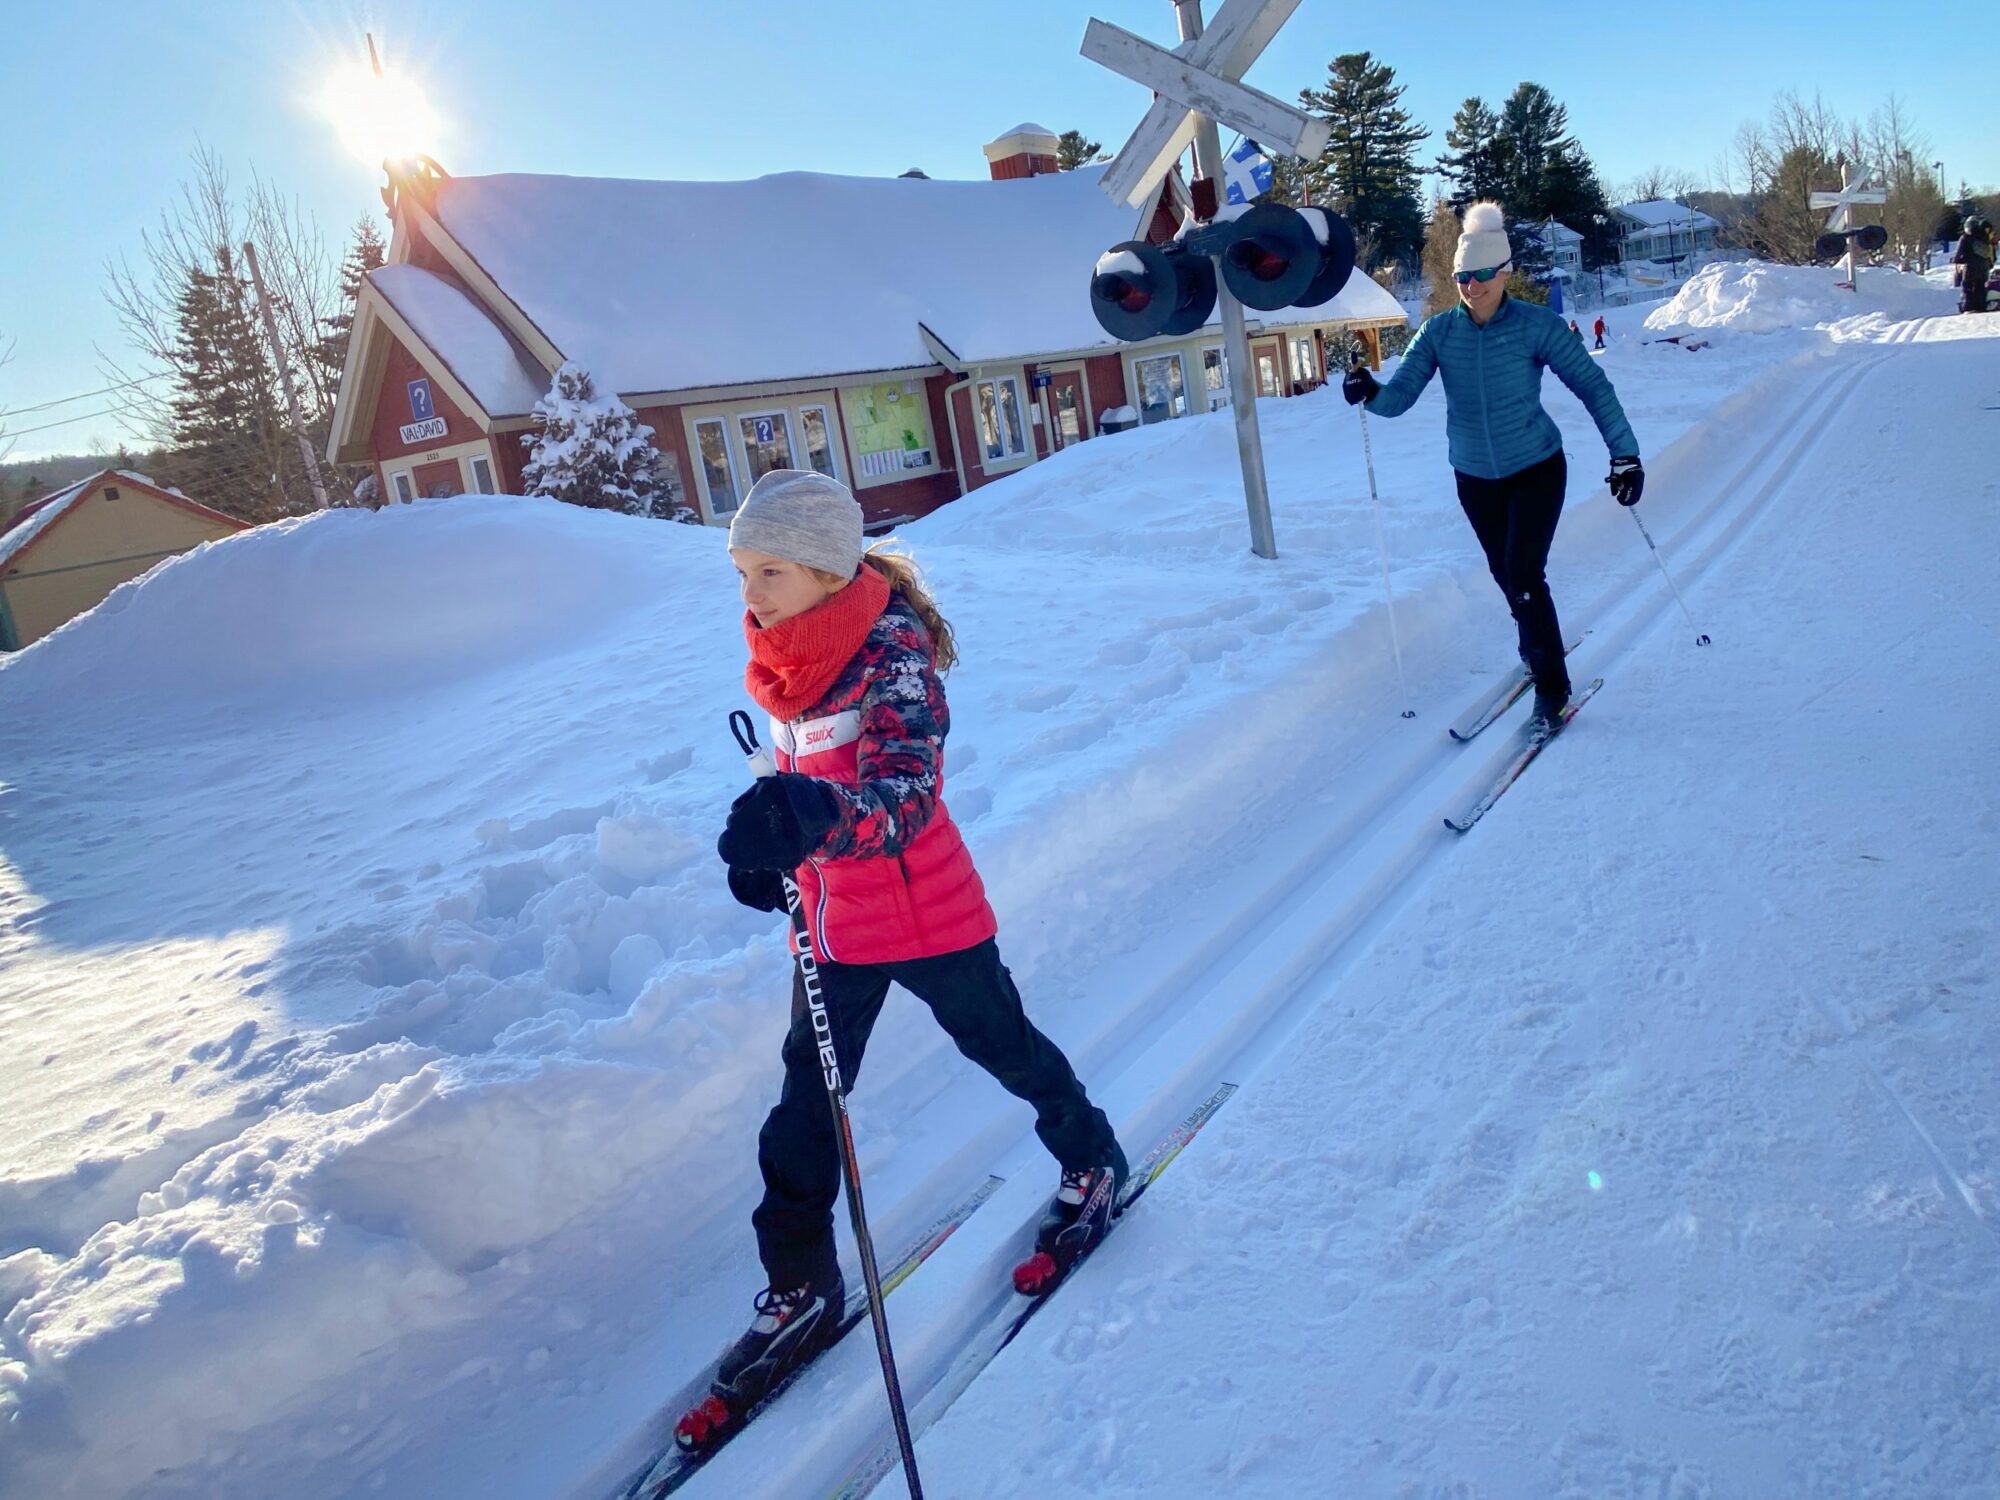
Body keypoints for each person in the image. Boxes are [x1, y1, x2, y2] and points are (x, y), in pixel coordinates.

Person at [695, 470, 1127, 1434]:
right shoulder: (783, 656)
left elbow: (903, 795)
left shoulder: (890, 651)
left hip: (923, 909)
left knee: (1006, 1048)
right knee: (803, 1106)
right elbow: (803, 782)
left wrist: (816, 817)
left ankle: (1093, 1157)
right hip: (835, 920)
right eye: (741, 572)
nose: (751, 594)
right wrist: (777, 850)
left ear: (824, 567)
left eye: (769, 571)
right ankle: (800, 1284)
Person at [1342, 201, 1642, 734]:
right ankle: (1533, 643)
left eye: (1482, 275)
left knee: (1525, 574)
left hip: (1536, 468)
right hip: (1475, 478)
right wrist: (1369, 392)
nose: (1471, 286)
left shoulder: (1537, 326)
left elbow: (1593, 387)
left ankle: (1553, 688)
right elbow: (1400, 396)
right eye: (1462, 275)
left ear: (1503, 272)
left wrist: (1624, 454)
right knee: (1506, 574)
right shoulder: (1438, 333)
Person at [1955, 215, 1993, 314]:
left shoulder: (1965, 238)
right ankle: (1981, 306)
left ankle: (1968, 307)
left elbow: (1959, 255)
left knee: (1967, 286)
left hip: (1970, 268)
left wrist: (1956, 260)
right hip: (1984, 268)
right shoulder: (1984, 237)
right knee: (1980, 286)